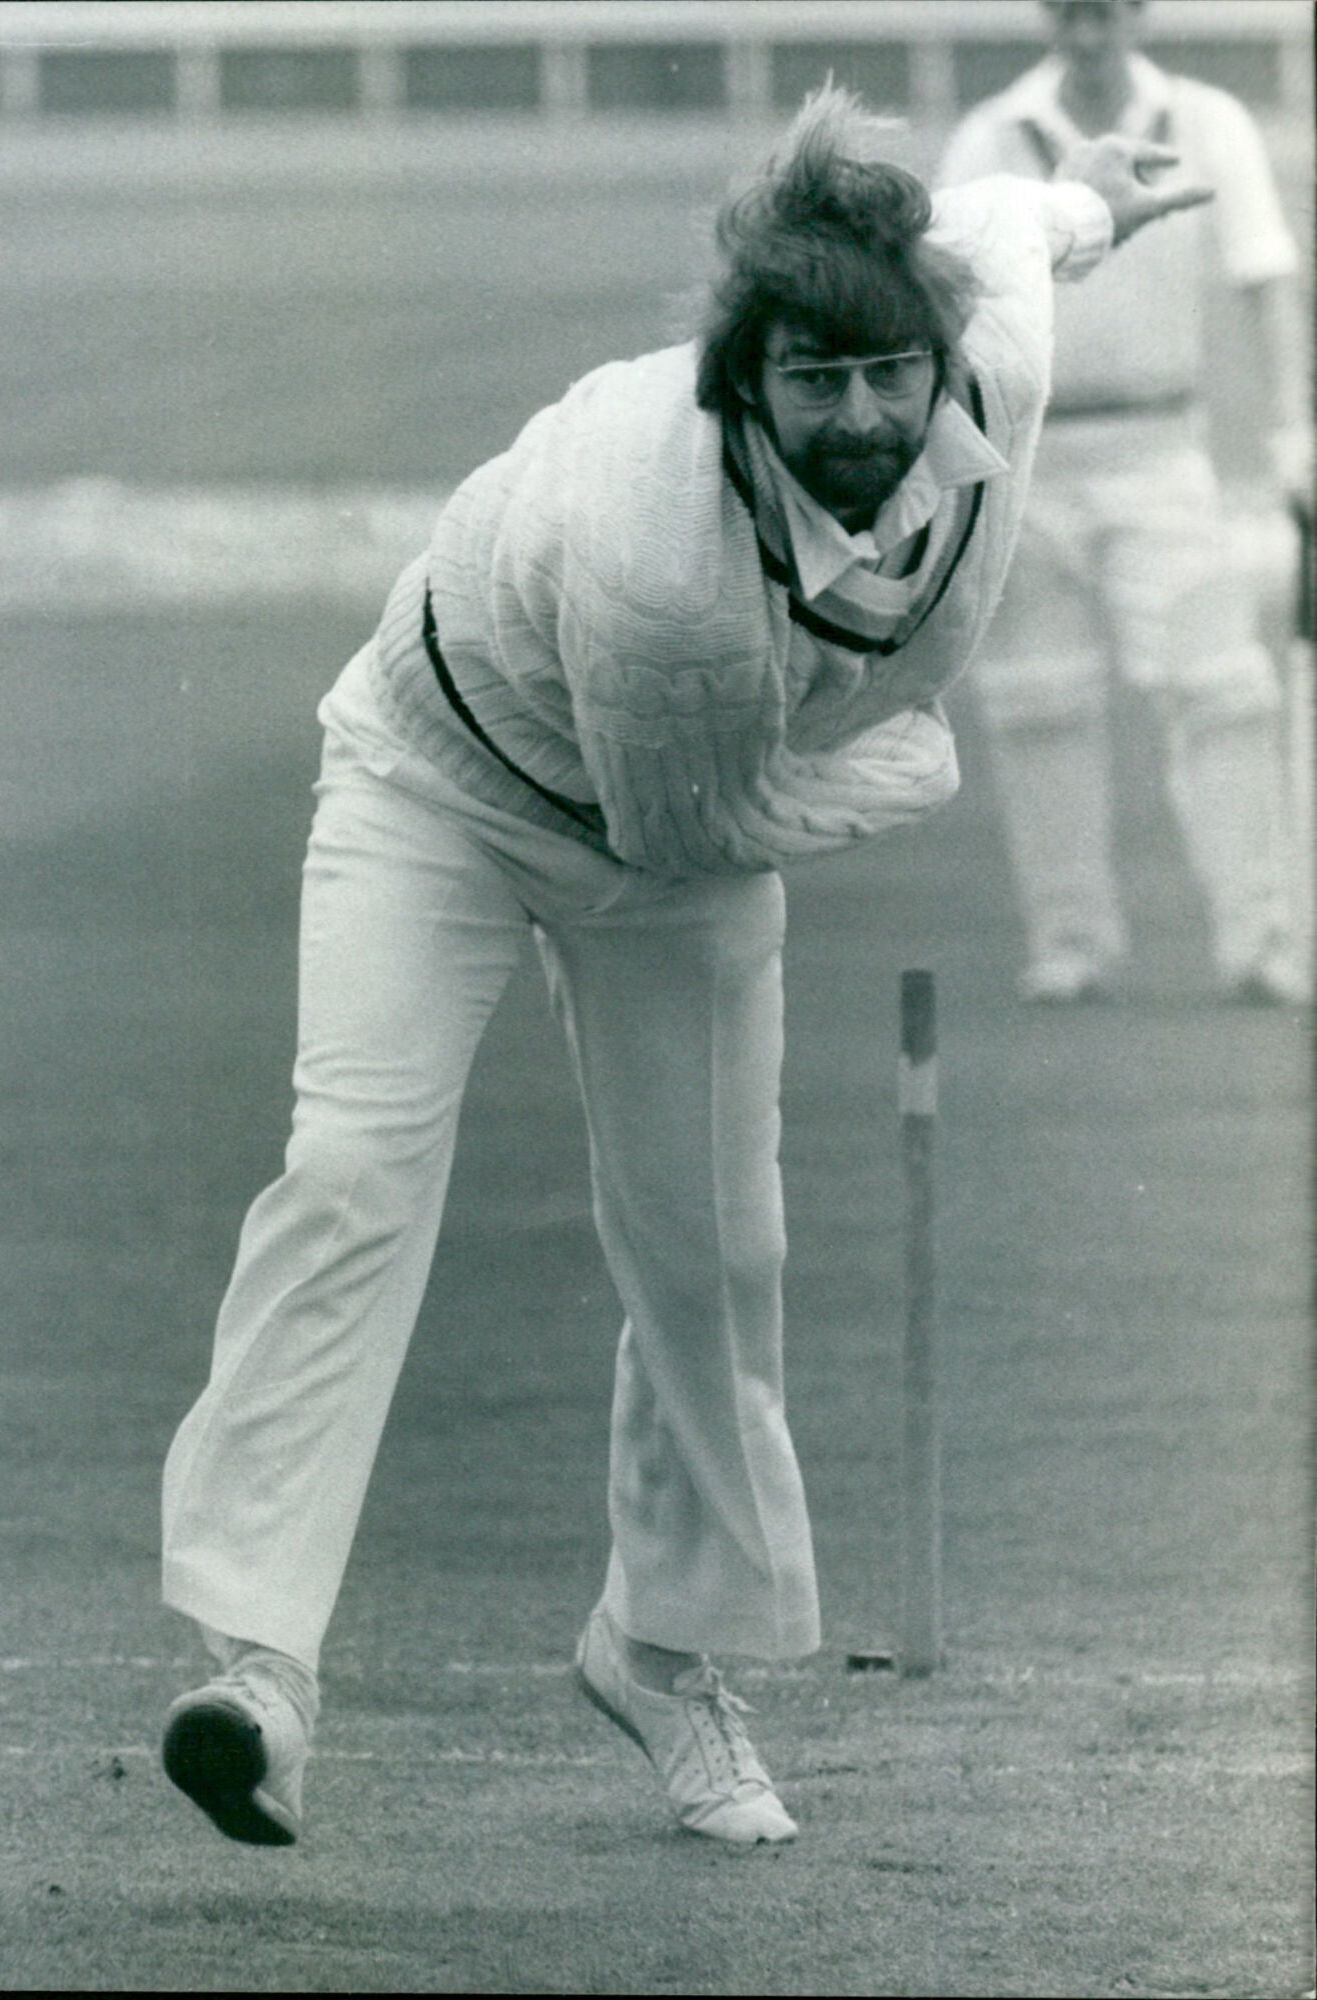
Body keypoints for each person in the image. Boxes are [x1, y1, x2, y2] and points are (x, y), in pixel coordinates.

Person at [157, 83, 1209, 1852]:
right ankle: (255, 1664)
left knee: (711, 1248)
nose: (865, 415)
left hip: (702, 789)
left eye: (889, 373)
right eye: (813, 383)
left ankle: (656, 1653)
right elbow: (682, 831)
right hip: (454, 784)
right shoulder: (665, 568)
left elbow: (1002, 234)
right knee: (348, 1172)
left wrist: (1082, 198)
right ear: (742, 383)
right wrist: (924, 761)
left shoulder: (975, 360)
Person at [936, 0, 1313, 1004]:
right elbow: (940, 298)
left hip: (1162, 450)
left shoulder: (1204, 119)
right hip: (1034, 458)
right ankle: (1069, 942)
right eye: (1066, 13)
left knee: (1219, 692)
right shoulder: (992, 133)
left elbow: (1264, 277)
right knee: (1038, 703)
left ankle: (1261, 940)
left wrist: (1291, 426)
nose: (1084, 34)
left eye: (1102, 12)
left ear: (1136, 14)